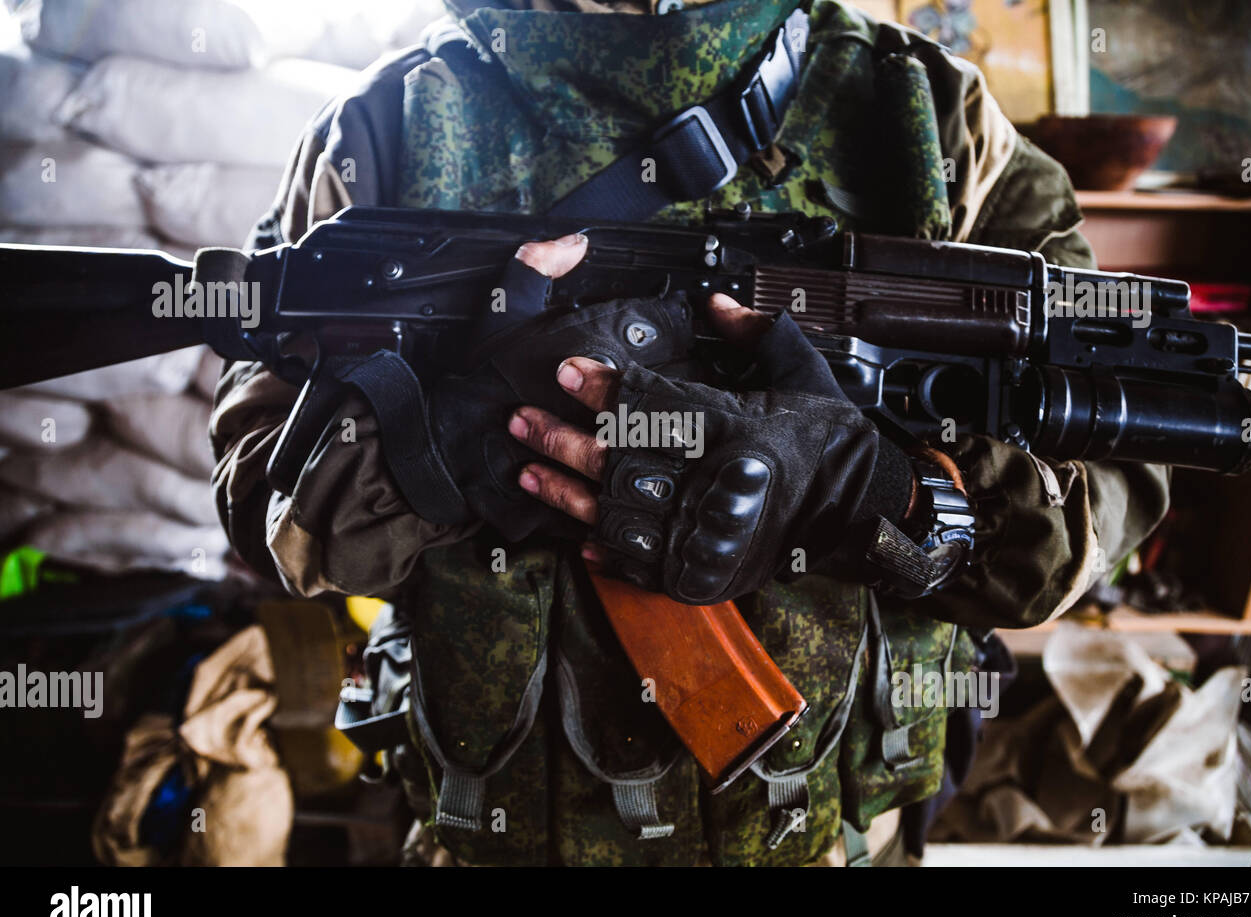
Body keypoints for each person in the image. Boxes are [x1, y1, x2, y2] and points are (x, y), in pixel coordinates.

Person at [210, 0, 1170, 866]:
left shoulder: (932, 121)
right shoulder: (388, 126)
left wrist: (870, 492)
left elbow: (1104, 493)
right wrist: (458, 442)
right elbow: (266, 507)